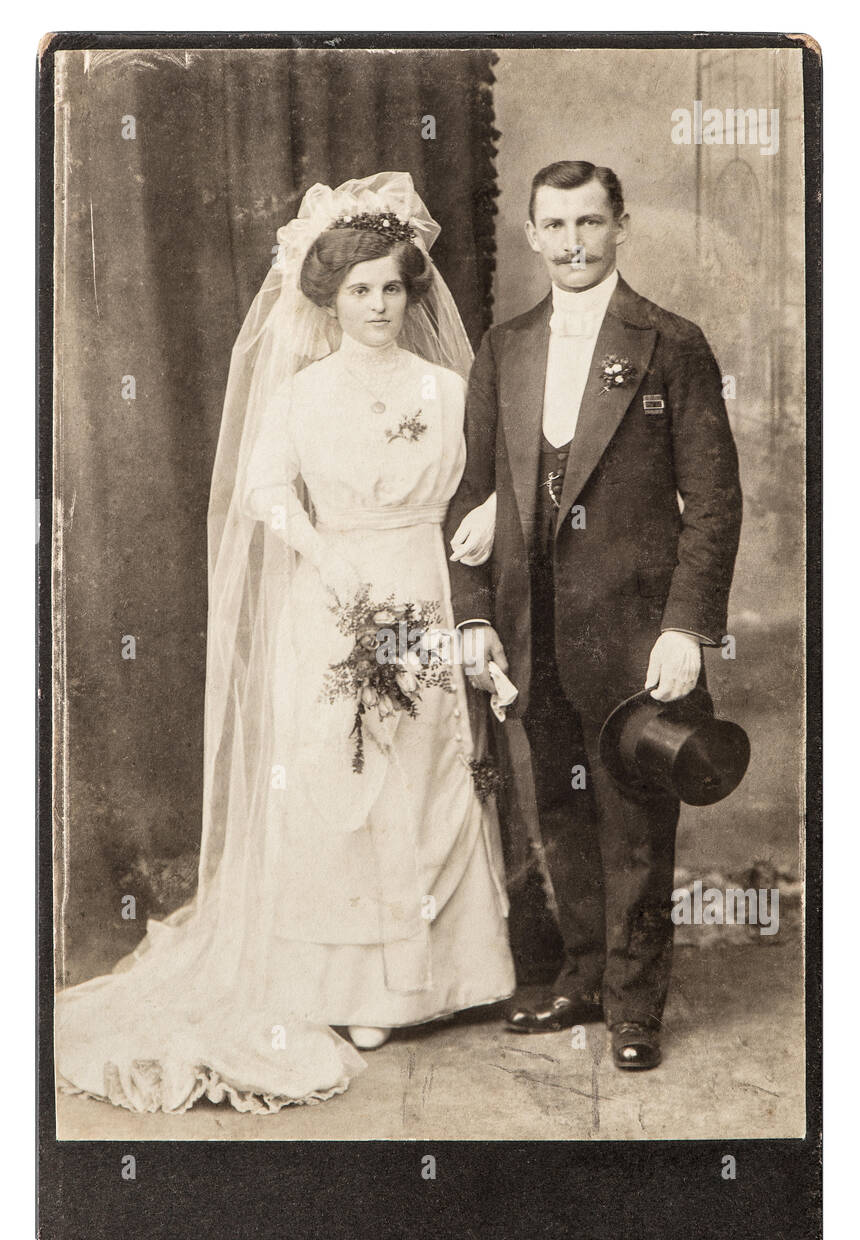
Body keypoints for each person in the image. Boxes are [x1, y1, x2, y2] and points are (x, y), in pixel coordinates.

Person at [56, 172, 514, 1114]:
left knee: (435, 766)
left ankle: (452, 981)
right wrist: (323, 550)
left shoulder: (449, 384)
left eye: (393, 286)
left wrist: (497, 509)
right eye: (360, 290)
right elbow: (264, 491)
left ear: (411, 290)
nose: (380, 305)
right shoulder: (303, 393)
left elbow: (492, 478)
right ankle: (360, 991)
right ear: (330, 298)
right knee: (347, 778)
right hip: (333, 597)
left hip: (427, 589)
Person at [444, 161, 742, 1071]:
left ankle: (636, 1007)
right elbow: (472, 495)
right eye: (554, 226)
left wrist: (686, 630)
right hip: (532, 633)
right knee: (563, 818)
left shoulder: (671, 342)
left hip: (636, 641)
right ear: (532, 235)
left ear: (622, 225)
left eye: (590, 222)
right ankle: (582, 978)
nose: (572, 242)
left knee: (637, 827)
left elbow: (716, 502)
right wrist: (473, 619)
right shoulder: (505, 346)